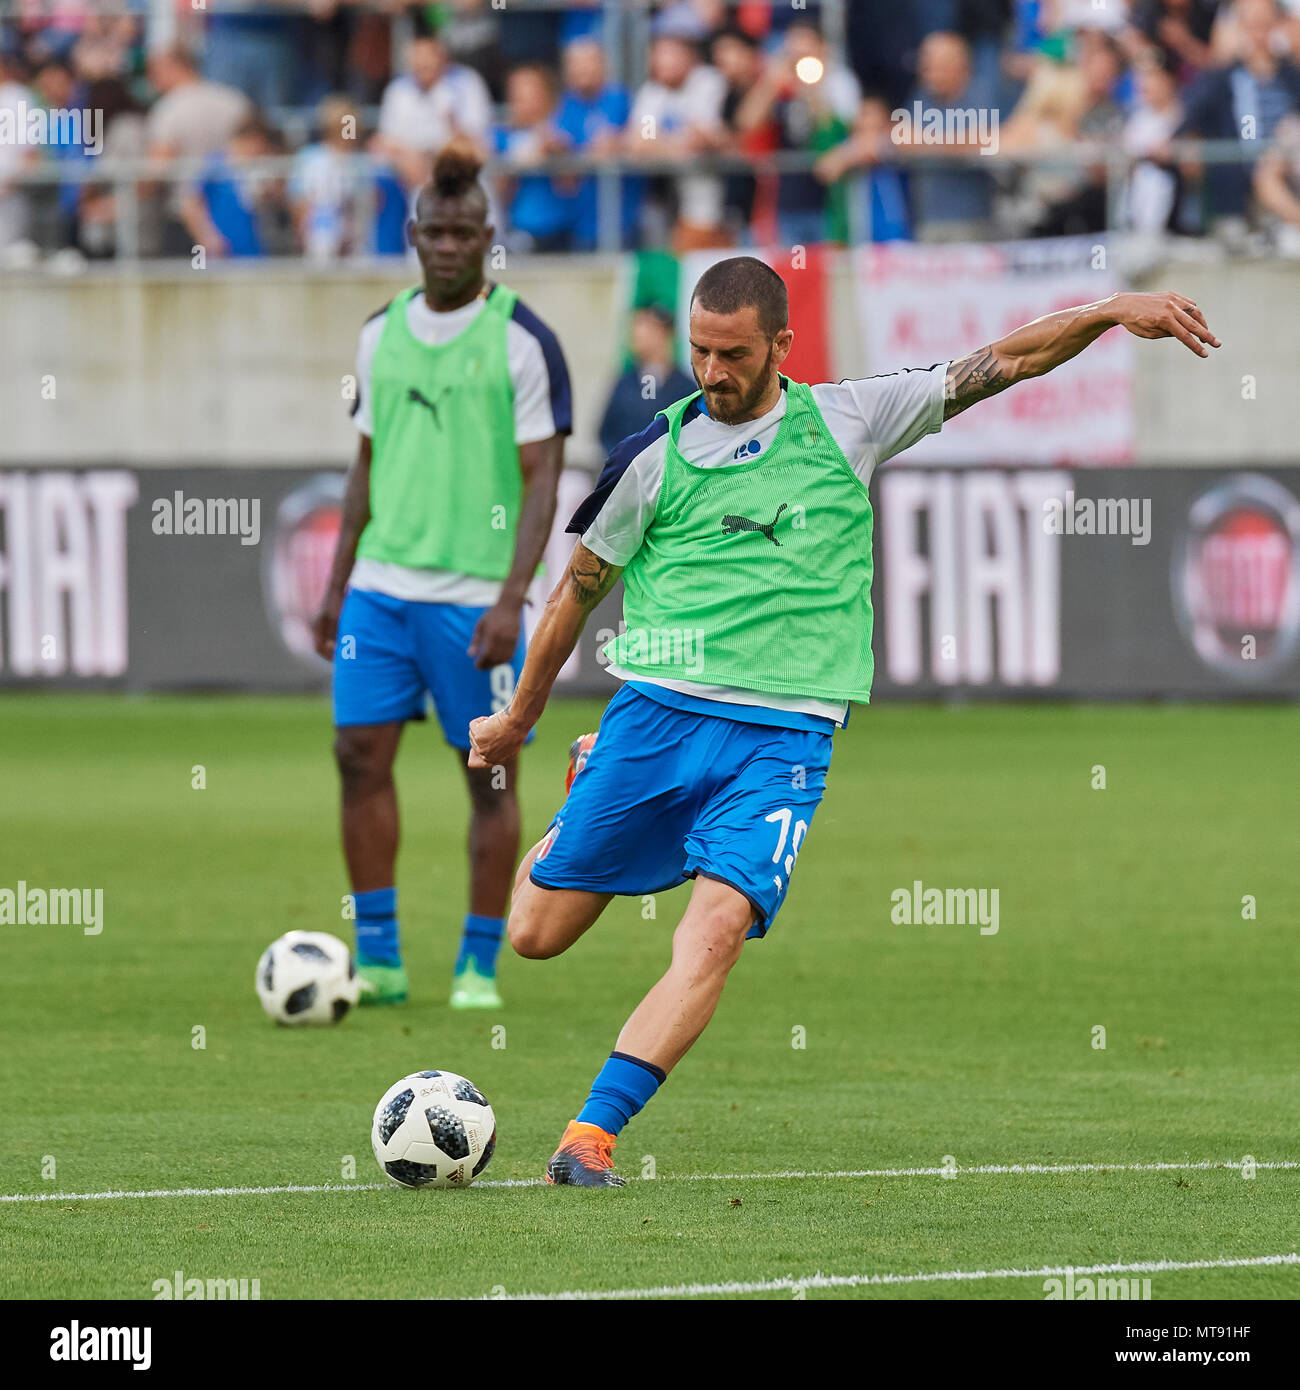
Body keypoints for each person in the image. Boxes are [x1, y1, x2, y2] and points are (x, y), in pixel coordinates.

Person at [467, 255, 1220, 1186]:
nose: (711, 372)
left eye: (733, 353)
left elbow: (1003, 363)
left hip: (785, 739)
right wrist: (517, 720)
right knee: (535, 936)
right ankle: (585, 784)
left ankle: (592, 1136)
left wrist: (1109, 310)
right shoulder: (651, 455)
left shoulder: (849, 419)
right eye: (701, 351)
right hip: (656, 716)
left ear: (782, 344)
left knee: (714, 933)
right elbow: (575, 594)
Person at [313, 141, 571, 1011]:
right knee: (357, 757)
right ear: (414, 232)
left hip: (473, 603)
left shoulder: (523, 341)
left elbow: (544, 478)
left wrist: (511, 599)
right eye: (438, 231)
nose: (451, 245)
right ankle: (379, 958)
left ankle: (476, 965)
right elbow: (365, 464)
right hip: (380, 590)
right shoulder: (378, 334)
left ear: (487, 235)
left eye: (466, 232)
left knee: (488, 777)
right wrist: (335, 583)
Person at [374, 33, 493, 191]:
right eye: (417, 55)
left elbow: (479, 143)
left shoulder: (467, 82)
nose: (422, 62)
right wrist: (407, 155)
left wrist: (450, 131)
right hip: (417, 180)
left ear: (442, 56)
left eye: (427, 55)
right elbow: (383, 141)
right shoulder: (398, 89)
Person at [597, 304, 696, 456]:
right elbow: (605, 433)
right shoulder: (625, 384)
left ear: (663, 333)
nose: (637, 333)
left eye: (645, 326)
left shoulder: (685, 388)